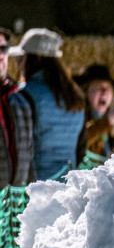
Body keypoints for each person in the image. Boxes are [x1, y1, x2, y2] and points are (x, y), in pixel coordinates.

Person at [14, 29, 86, 181]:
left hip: (36, 188)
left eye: (20, 58)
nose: (18, 65)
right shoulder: (75, 97)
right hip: (69, 186)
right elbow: (81, 148)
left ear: (37, 58)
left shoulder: (22, 95)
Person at [76, 64, 114, 167]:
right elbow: (79, 142)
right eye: (99, 87)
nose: (105, 92)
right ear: (86, 91)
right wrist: (108, 121)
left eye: (108, 88)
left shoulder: (105, 117)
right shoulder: (78, 114)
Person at [0, 29, 35, 188]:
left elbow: (29, 153)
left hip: (15, 201)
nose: (1, 56)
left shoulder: (20, 97)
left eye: (3, 49)